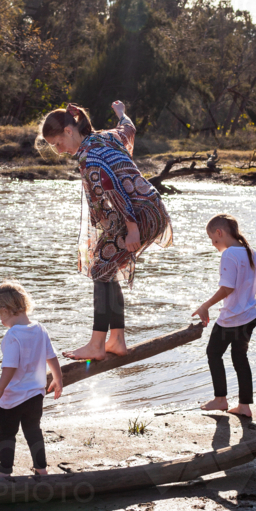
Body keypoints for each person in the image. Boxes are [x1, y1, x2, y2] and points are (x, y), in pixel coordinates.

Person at [39, 100, 172, 360]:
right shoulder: (105, 137)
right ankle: (117, 340)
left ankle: (97, 345)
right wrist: (121, 113)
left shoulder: (91, 157)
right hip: (149, 208)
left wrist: (132, 230)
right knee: (107, 269)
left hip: (137, 215)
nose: (58, 151)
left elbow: (116, 190)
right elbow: (128, 128)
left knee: (100, 269)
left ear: (68, 130)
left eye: (57, 143)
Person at [0, 280, 63, 478]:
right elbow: (51, 357)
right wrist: (58, 379)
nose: (0, 320)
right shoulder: (39, 329)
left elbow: (9, 368)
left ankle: (4, 470)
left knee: (7, 433)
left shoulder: (13, 335)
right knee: (33, 431)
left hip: (13, 397)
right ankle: (41, 468)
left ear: (5, 310)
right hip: (36, 394)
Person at [192, 213, 256, 418]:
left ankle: (220, 399)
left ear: (220, 232)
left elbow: (227, 288)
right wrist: (246, 297)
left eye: (213, 240)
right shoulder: (250, 251)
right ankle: (244, 406)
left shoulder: (229, 254)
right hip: (249, 316)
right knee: (240, 357)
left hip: (230, 319)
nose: (214, 244)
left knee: (213, 353)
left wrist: (205, 305)